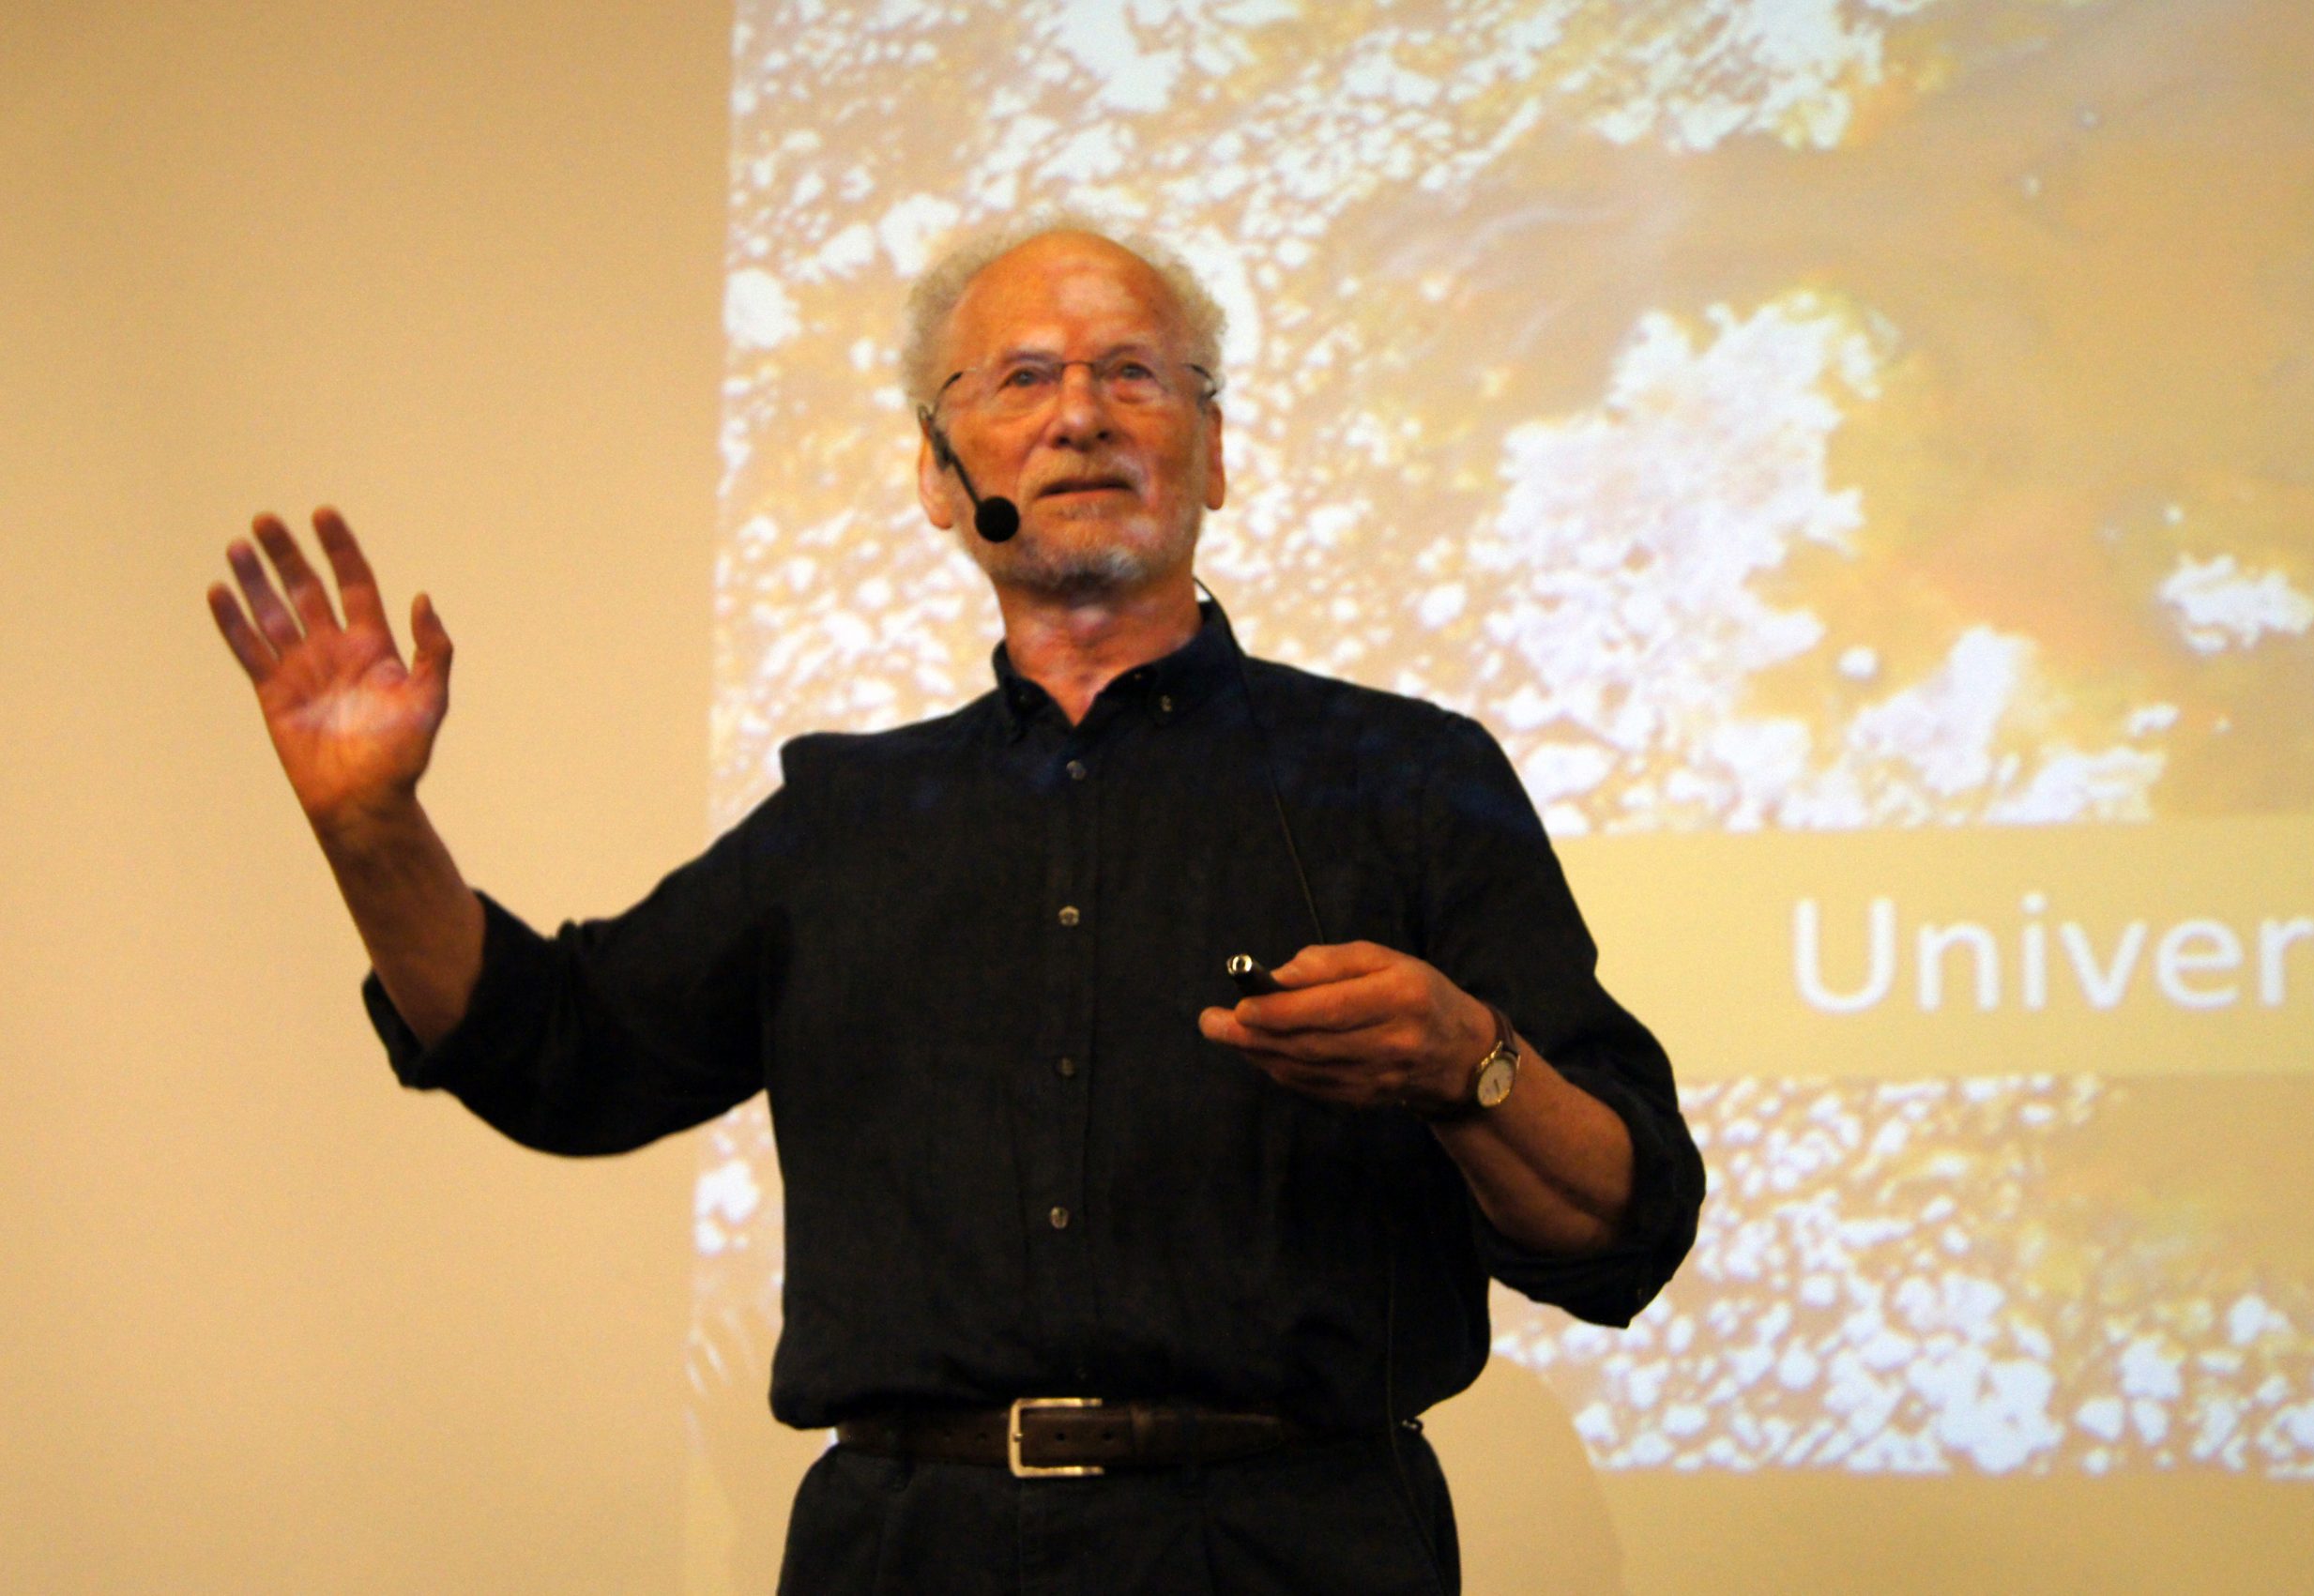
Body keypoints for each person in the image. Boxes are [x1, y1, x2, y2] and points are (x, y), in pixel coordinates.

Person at [206, 221, 1705, 1594]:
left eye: (1136, 373)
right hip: (911, 1555)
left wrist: (1474, 1059)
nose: (1081, 414)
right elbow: (562, 1053)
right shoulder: (844, 820)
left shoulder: (1409, 777)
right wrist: (374, 829)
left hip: (1294, 1548)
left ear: (1216, 450)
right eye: (1022, 378)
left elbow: (1624, 1215)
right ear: (938, 472)